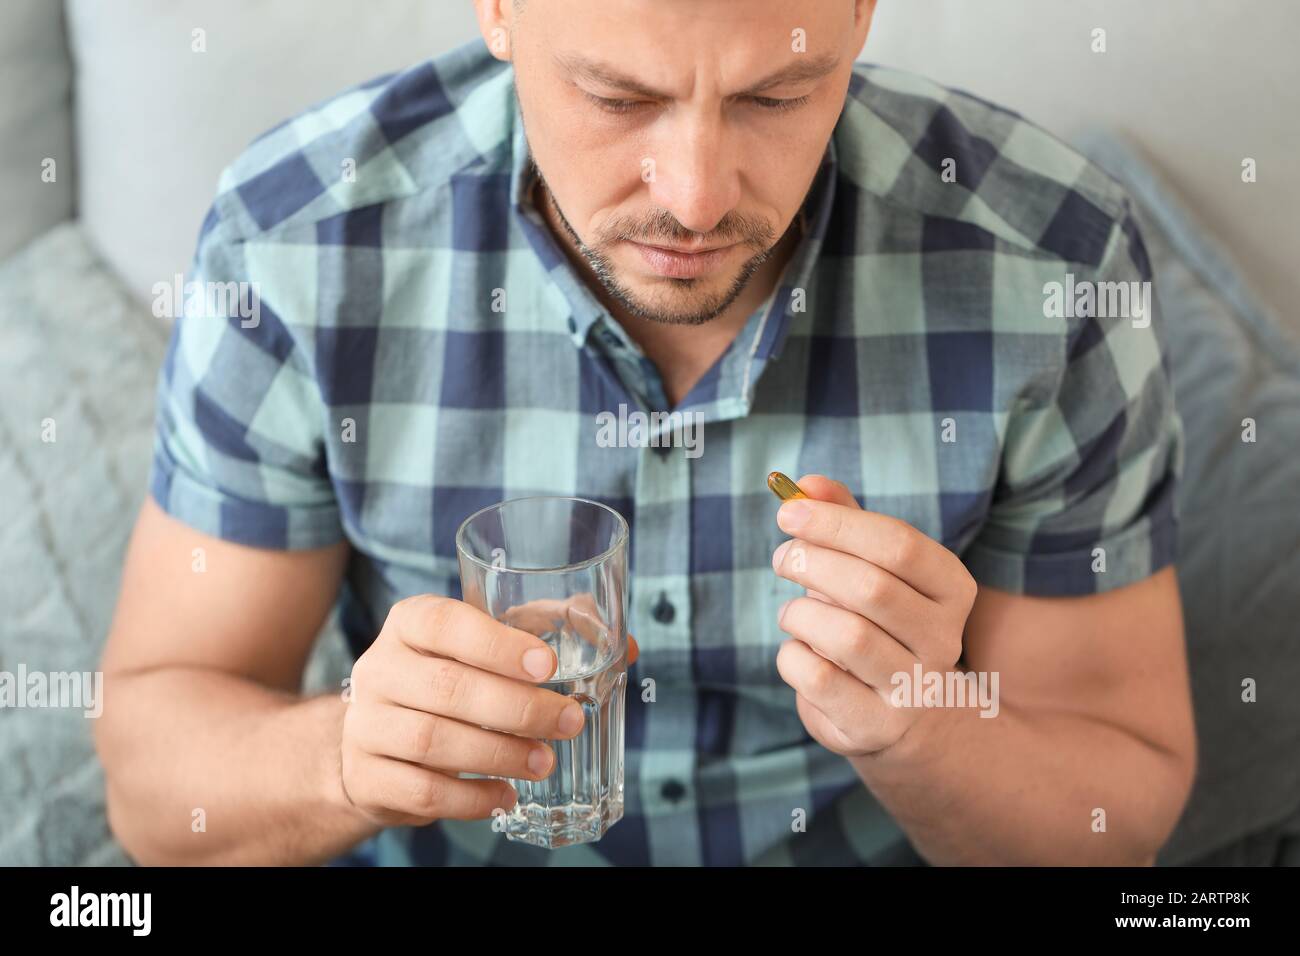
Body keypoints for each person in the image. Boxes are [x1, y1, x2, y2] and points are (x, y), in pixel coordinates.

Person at [95, 0, 1196, 866]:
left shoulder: (1050, 265)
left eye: (776, 96)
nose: (698, 199)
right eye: (617, 97)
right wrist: (346, 754)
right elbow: (153, 784)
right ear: (499, 10)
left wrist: (925, 725)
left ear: (862, 15)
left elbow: (1117, 816)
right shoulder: (300, 244)